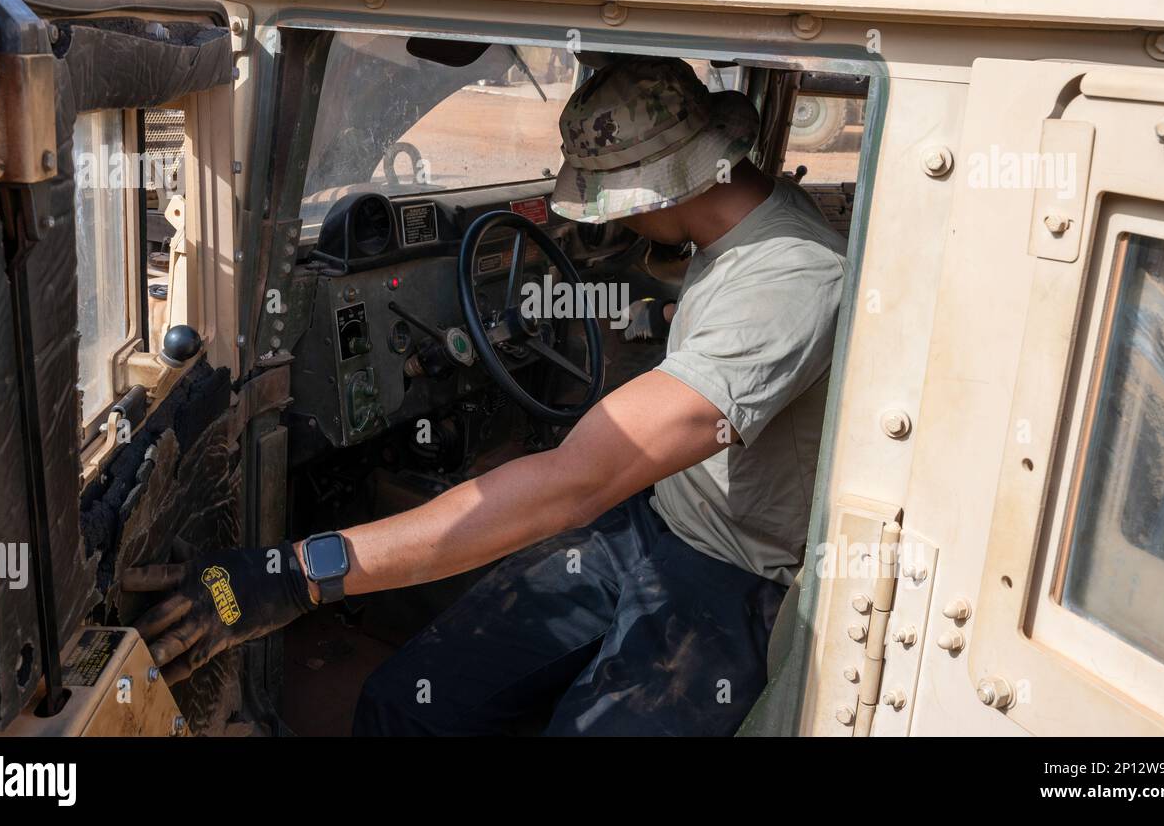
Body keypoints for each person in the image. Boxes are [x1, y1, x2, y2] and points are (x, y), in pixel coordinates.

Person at [122, 56, 847, 736]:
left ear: (664, 185)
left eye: (614, 202)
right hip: (658, 517)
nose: (614, 222)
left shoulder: (790, 279)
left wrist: (296, 572)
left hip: (731, 578)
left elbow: (572, 483)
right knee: (407, 703)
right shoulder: (750, 216)